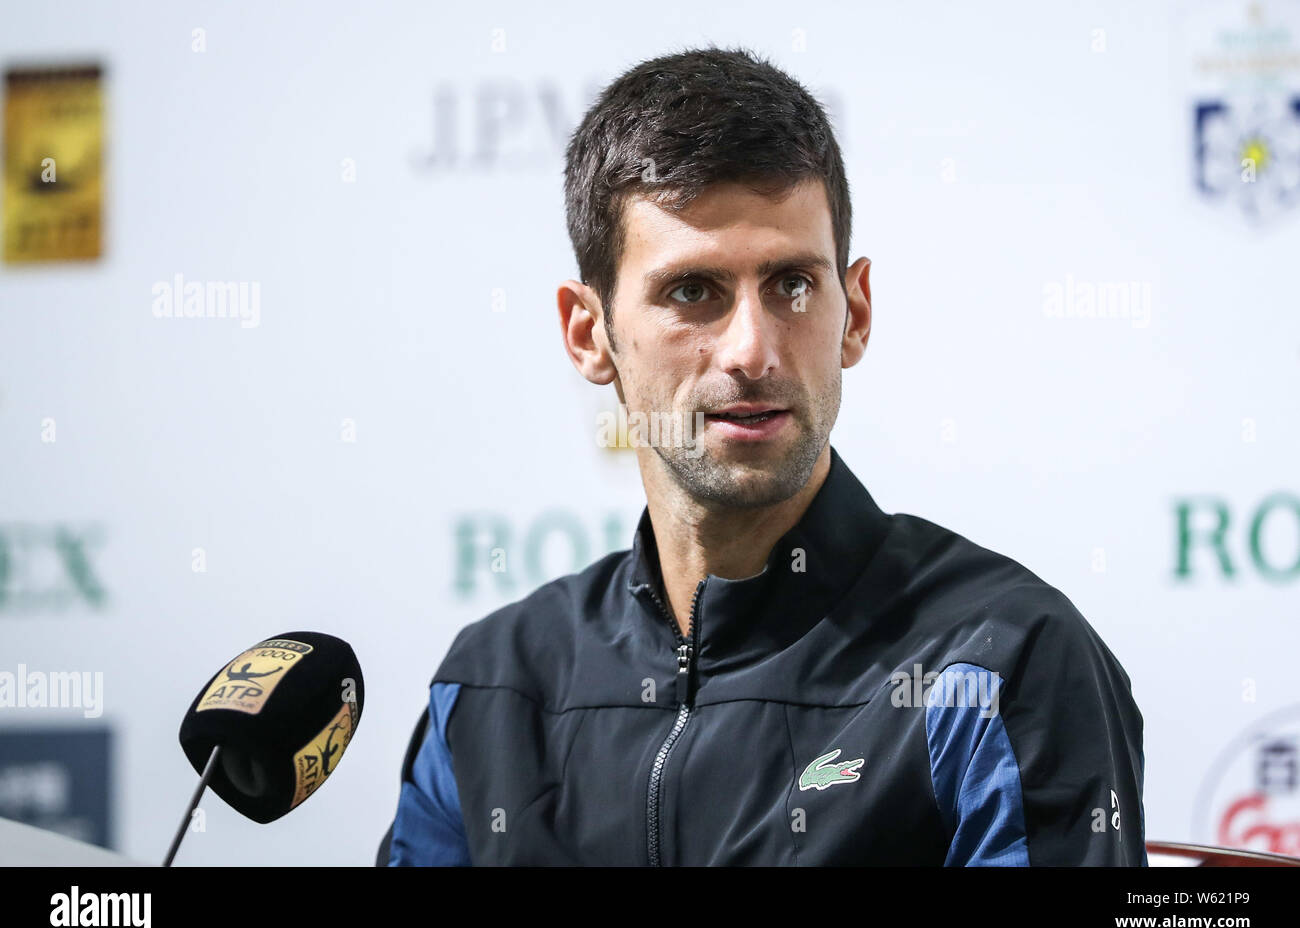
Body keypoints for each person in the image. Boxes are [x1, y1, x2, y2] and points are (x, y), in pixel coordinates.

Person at [379, 45, 1147, 866]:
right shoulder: (494, 690)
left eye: (792, 285)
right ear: (589, 333)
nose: (752, 350)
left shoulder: (1003, 660)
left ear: (854, 314)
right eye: (692, 292)